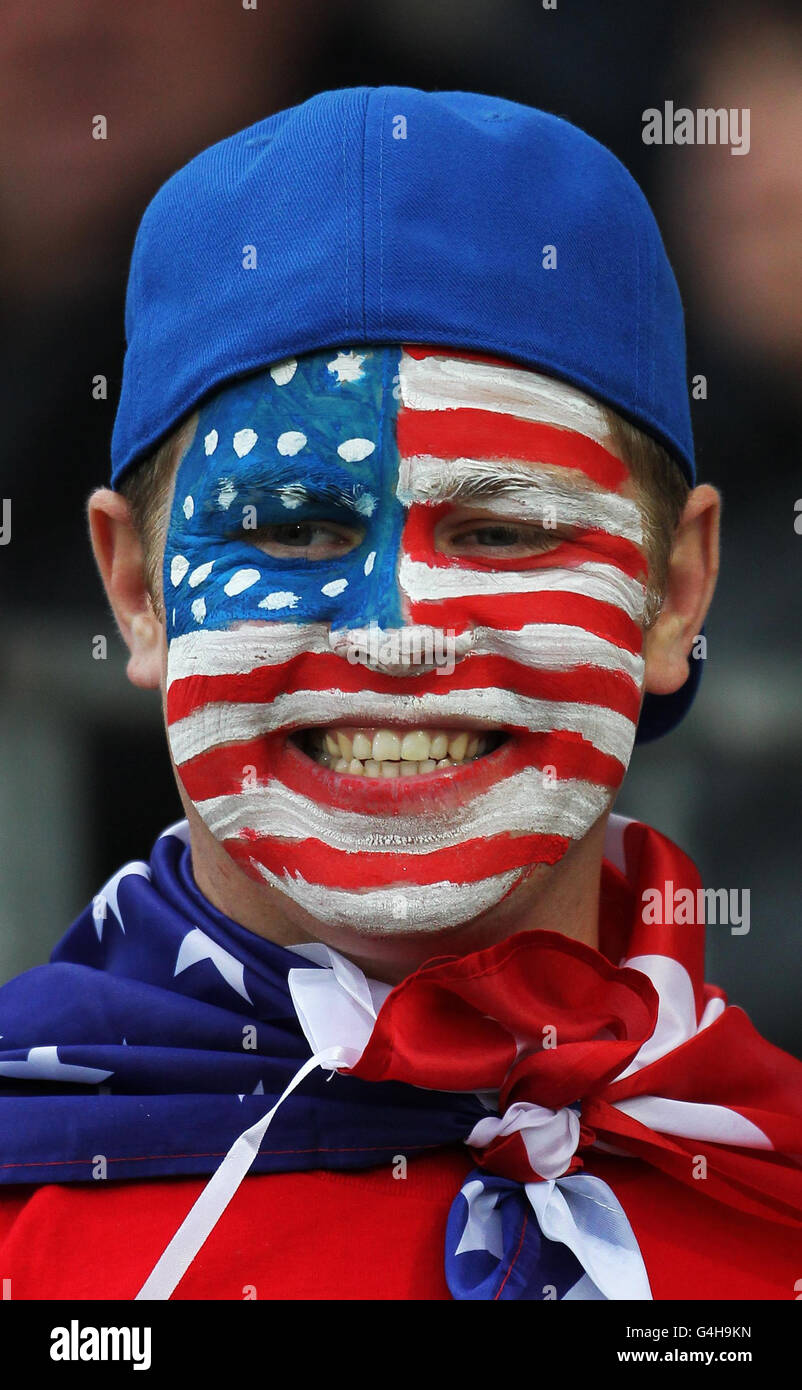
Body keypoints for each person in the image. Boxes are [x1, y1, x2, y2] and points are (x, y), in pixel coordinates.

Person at [1, 86, 800, 1302]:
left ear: (676, 592)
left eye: (503, 531)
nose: (398, 637)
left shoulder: (768, 1182)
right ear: (136, 593)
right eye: (297, 528)